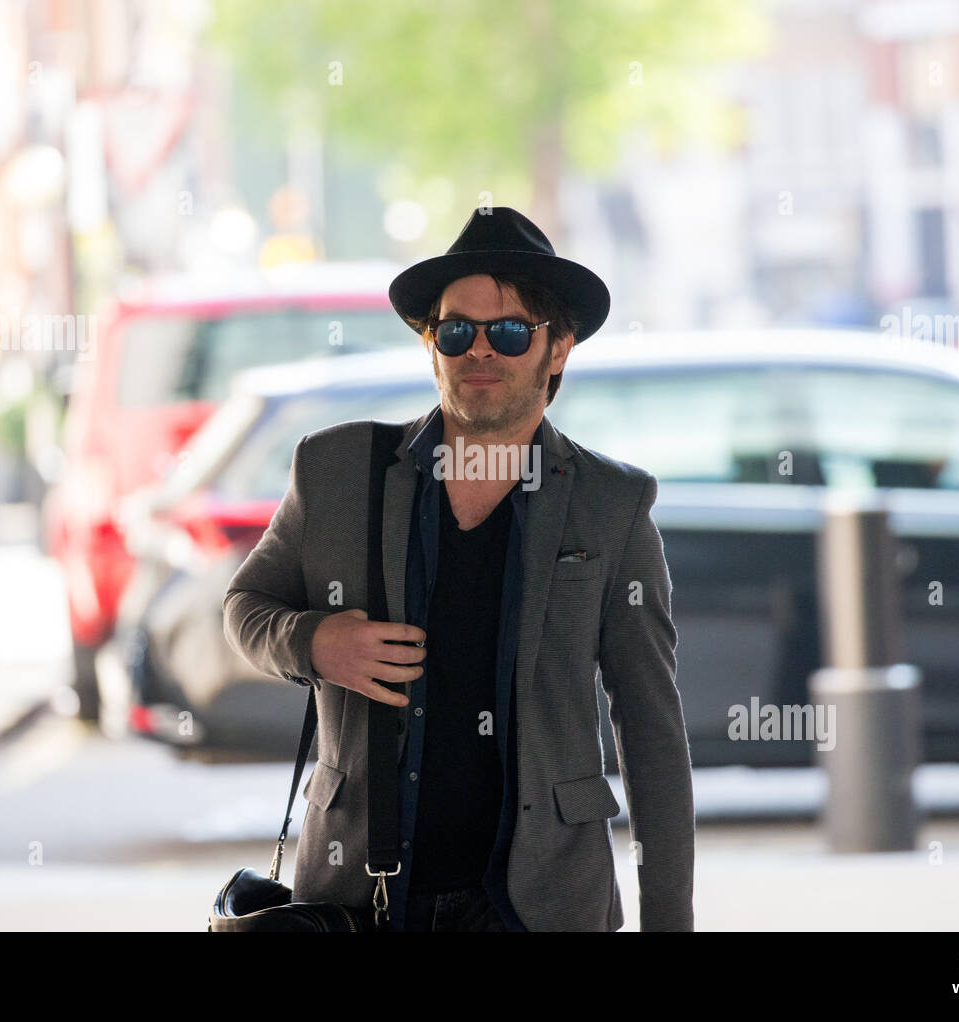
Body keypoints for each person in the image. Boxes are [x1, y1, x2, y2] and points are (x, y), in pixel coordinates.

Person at [222, 205, 694, 931]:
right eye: (455, 331)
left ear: (558, 349)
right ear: (430, 342)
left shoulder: (612, 504)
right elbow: (245, 609)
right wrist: (315, 644)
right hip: (364, 894)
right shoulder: (341, 469)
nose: (480, 351)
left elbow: (652, 730)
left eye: (508, 331)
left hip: (540, 907)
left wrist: (670, 923)